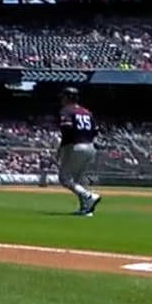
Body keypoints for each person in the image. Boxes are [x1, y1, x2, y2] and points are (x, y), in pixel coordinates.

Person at [56, 86, 102, 216]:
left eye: (63, 97)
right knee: (76, 180)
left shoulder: (66, 111)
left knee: (64, 178)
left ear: (67, 98)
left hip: (75, 146)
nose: (62, 100)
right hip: (90, 146)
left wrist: (62, 148)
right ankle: (86, 209)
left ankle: (88, 196)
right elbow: (95, 131)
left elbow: (67, 130)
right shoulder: (87, 112)